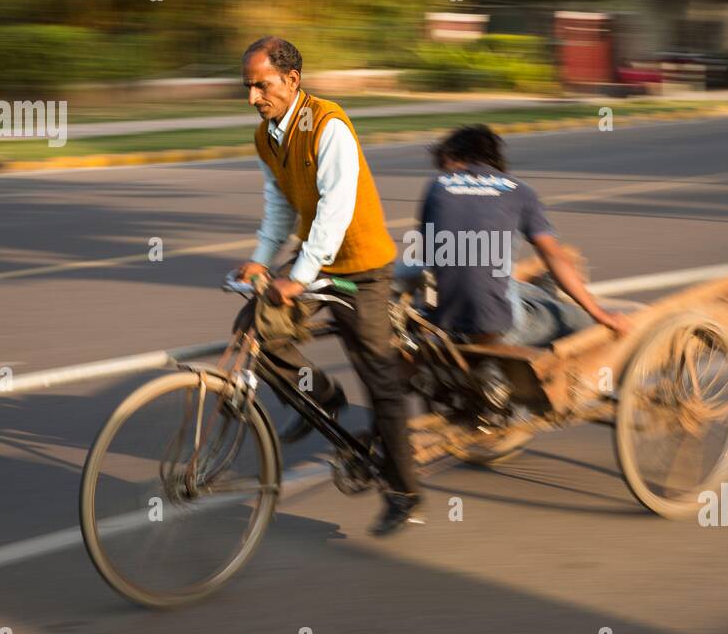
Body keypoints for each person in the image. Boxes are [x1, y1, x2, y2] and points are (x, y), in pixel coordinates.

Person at [232, 36, 421, 536]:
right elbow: (280, 207)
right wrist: (260, 262)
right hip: (316, 255)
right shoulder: (267, 134)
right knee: (253, 325)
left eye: (261, 85)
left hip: (361, 265)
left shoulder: (328, 125)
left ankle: (403, 489)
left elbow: (336, 211)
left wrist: (298, 276)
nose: (253, 97)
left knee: (379, 374)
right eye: (248, 87)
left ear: (292, 81)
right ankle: (325, 395)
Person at [410, 124, 630, 346]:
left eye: (442, 165)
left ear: (452, 156)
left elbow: (431, 257)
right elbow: (553, 256)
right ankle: (550, 301)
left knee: (518, 288)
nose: (443, 171)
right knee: (580, 320)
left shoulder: (435, 187)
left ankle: (544, 295)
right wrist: (599, 314)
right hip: (499, 330)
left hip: (446, 321)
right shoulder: (520, 190)